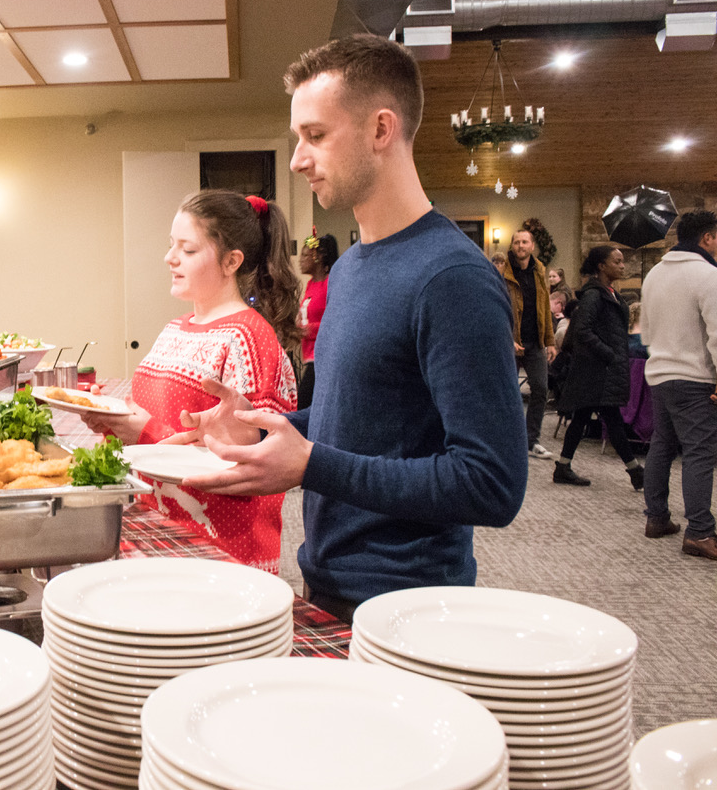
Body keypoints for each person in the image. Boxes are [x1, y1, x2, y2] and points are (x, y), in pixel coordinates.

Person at [168, 34, 526, 622]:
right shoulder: (355, 265)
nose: (296, 159)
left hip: (408, 607)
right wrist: (261, 430)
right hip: (331, 583)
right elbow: (362, 417)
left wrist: (312, 465)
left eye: (315, 136)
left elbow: (492, 483)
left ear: (381, 129)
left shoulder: (452, 278)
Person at [76, 190, 299, 571]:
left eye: (188, 250)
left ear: (231, 261)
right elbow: (157, 421)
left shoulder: (248, 338)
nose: (170, 258)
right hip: (157, 534)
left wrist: (143, 432)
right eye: (171, 246)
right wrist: (113, 421)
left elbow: (255, 468)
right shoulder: (174, 328)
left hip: (218, 554)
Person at [640, 210, 717, 558]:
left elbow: (646, 332)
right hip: (694, 376)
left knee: (662, 446)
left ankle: (656, 518)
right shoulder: (708, 275)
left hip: (659, 372)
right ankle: (700, 532)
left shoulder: (654, 274)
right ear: (707, 238)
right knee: (700, 452)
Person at [553, 245, 644, 489]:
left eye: (622, 261)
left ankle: (563, 466)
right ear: (601, 266)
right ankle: (635, 471)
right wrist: (609, 354)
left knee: (587, 416)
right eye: (617, 261)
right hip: (597, 369)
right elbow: (583, 330)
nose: (623, 265)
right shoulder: (594, 295)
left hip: (601, 369)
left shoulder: (608, 292)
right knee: (610, 418)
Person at [502, 229, 557, 459]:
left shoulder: (540, 271)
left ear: (532, 246)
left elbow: (544, 307)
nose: (520, 246)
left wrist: (550, 341)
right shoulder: (503, 273)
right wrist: (508, 338)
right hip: (510, 343)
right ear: (512, 246)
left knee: (541, 389)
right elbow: (498, 308)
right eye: (517, 242)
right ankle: (507, 440)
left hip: (535, 342)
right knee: (507, 392)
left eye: (525, 242)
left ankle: (531, 440)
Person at [297, 230, 338, 409]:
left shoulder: (331, 284)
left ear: (318, 257)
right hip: (309, 355)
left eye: (305, 255)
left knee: (303, 404)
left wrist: (309, 330)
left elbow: (336, 322)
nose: (300, 260)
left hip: (323, 357)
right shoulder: (310, 284)